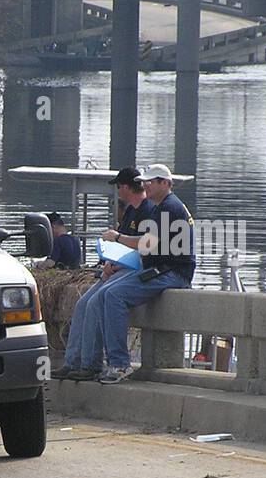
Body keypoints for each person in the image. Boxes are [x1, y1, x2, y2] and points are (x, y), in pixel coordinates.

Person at [95, 164, 196, 384]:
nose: (146, 185)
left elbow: (147, 245)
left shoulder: (169, 207)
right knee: (105, 293)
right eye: (144, 182)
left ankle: (120, 364)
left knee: (113, 295)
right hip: (162, 269)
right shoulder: (162, 207)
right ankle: (112, 360)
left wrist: (117, 238)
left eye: (151, 182)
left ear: (166, 184)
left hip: (173, 273)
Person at [52, 168, 153, 381]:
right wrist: (109, 262)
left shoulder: (148, 210)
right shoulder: (131, 212)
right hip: (117, 268)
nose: (118, 191)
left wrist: (117, 259)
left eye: (119, 187)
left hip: (131, 270)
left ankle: (91, 364)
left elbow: (146, 248)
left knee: (95, 303)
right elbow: (120, 246)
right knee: (82, 305)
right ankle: (73, 362)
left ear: (125, 187)